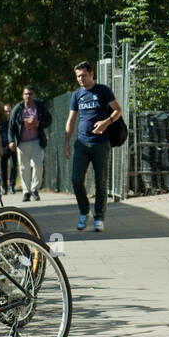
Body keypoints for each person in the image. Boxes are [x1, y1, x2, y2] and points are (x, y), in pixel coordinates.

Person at [64, 62, 122, 233]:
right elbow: (71, 119)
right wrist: (67, 142)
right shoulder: (77, 95)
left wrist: (106, 122)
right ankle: (84, 212)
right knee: (76, 179)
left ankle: (99, 218)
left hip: (101, 144)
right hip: (81, 143)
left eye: (83, 75)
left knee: (101, 183)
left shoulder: (103, 90)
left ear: (91, 74)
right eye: (78, 76)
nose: (80, 79)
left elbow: (117, 110)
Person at [8, 86, 52, 202]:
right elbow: (11, 126)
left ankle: (34, 189)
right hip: (22, 143)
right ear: (23, 95)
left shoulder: (39, 106)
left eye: (30, 94)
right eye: (26, 94)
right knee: (23, 168)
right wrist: (11, 141)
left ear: (34, 95)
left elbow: (49, 120)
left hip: (36, 141)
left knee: (38, 165)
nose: (28, 96)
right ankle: (26, 192)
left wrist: (38, 123)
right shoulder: (18, 108)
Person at [0, 102, 19, 194]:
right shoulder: (0, 123)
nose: (8, 113)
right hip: (2, 148)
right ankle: (4, 187)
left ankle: (12, 186)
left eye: (9, 111)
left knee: (13, 167)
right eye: (6, 111)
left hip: (13, 148)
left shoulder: (15, 122)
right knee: (3, 169)